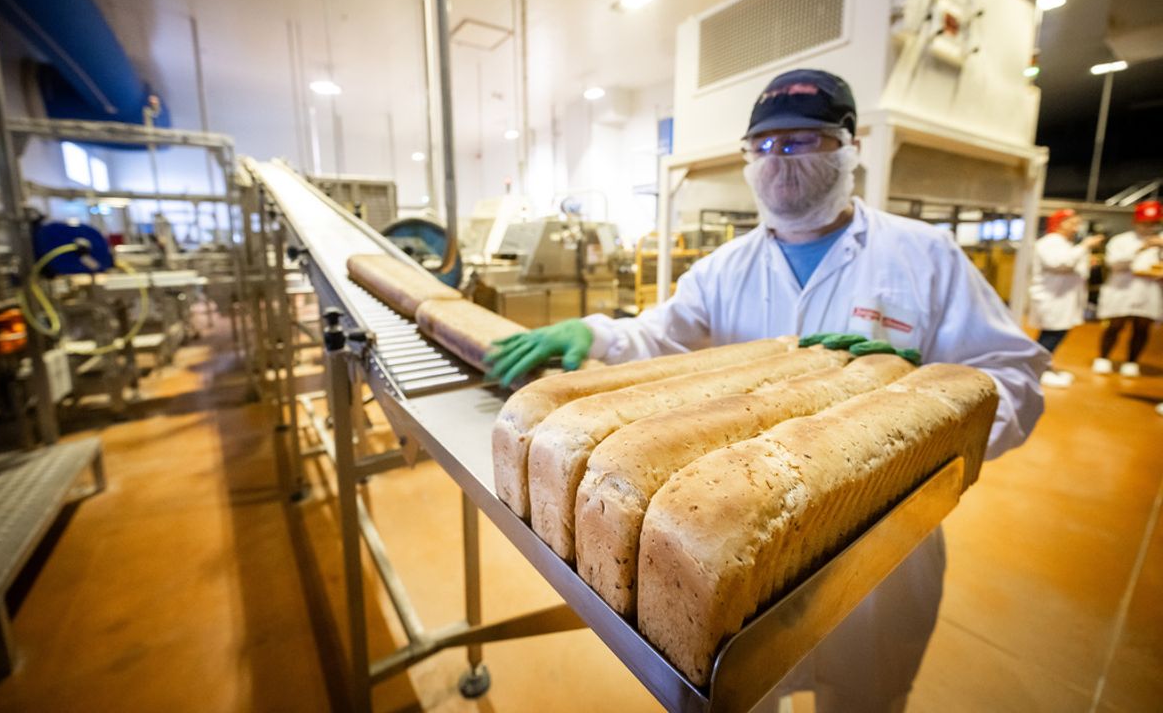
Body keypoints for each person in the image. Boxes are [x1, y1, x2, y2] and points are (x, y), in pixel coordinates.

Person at [486, 69, 1049, 712]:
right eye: (764, 147)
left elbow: (1015, 374)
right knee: (750, 692)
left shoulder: (924, 256)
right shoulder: (725, 269)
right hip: (737, 557)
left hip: (885, 552)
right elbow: (663, 337)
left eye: (802, 141)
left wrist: (925, 400)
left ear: (847, 145)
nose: (779, 162)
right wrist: (590, 333)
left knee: (866, 695)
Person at [1027, 209, 1104, 387]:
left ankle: (1041, 366)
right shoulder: (1049, 242)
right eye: (1072, 223)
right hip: (1053, 297)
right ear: (1059, 223)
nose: (1076, 228)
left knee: (1054, 333)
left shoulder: (1065, 243)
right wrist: (1084, 247)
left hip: (1063, 298)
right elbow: (1060, 263)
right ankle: (1036, 369)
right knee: (1050, 335)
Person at [1092, 200, 1163, 377]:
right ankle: (1103, 357)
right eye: (1144, 223)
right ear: (1136, 222)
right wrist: (1141, 248)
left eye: (1152, 224)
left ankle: (1132, 361)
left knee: (1142, 328)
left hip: (1149, 290)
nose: (1147, 228)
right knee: (1115, 325)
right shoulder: (1121, 240)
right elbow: (1113, 263)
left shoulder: (1161, 242)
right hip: (1122, 289)